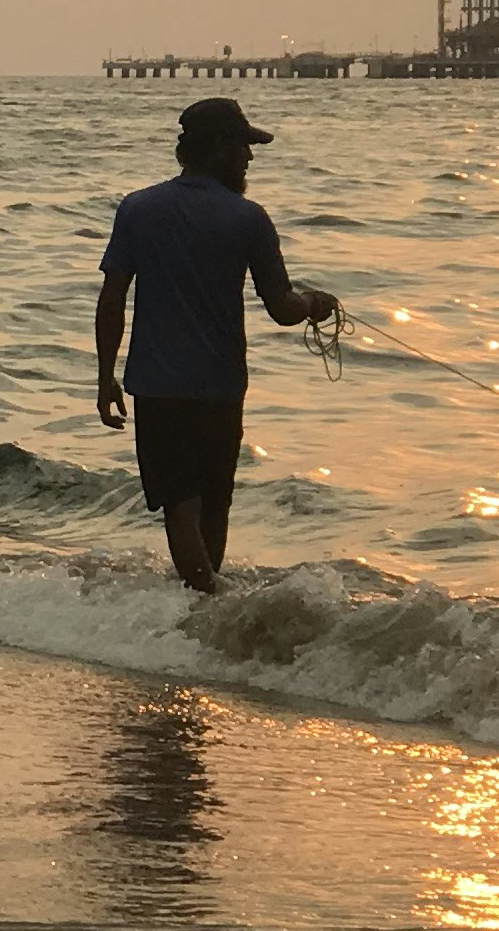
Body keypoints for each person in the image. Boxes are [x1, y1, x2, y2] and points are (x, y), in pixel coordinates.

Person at [94, 96, 336, 592]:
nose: (249, 158)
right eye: (244, 147)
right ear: (221, 150)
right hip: (219, 386)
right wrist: (316, 303)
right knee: (214, 500)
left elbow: (112, 299)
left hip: (157, 385)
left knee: (179, 501)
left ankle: (202, 599)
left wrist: (105, 378)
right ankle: (211, 601)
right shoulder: (248, 218)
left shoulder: (138, 209)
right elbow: (282, 308)